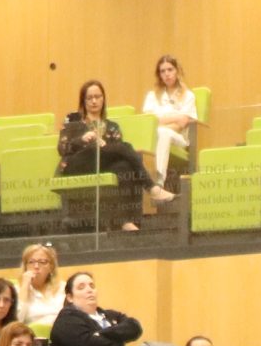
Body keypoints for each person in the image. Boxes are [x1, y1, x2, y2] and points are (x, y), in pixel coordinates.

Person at [55, 81, 150, 226]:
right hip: (76, 166)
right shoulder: (72, 119)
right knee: (122, 148)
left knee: (124, 167)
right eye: (89, 98)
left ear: (103, 99)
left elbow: (117, 155)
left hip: (103, 166)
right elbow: (62, 148)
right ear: (83, 100)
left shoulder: (112, 126)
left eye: (98, 97)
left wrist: (104, 145)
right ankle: (151, 186)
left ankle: (129, 222)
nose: (94, 101)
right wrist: (82, 140)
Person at [46, 269, 140, 346]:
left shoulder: (110, 315)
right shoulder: (66, 320)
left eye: (92, 286)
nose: (89, 290)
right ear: (70, 297)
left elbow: (134, 328)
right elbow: (92, 345)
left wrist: (101, 334)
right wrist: (119, 339)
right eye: (81, 287)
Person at [139, 55, 194, 198]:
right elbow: (148, 121)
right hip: (155, 136)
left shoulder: (188, 96)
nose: (167, 74)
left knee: (162, 132)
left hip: (180, 139)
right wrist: (175, 117)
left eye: (170, 69)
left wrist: (161, 123)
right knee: (159, 133)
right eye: (162, 71)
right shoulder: (152, 96)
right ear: (159, 75)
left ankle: (159, 182)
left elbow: (182, 125)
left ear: (177, 71)